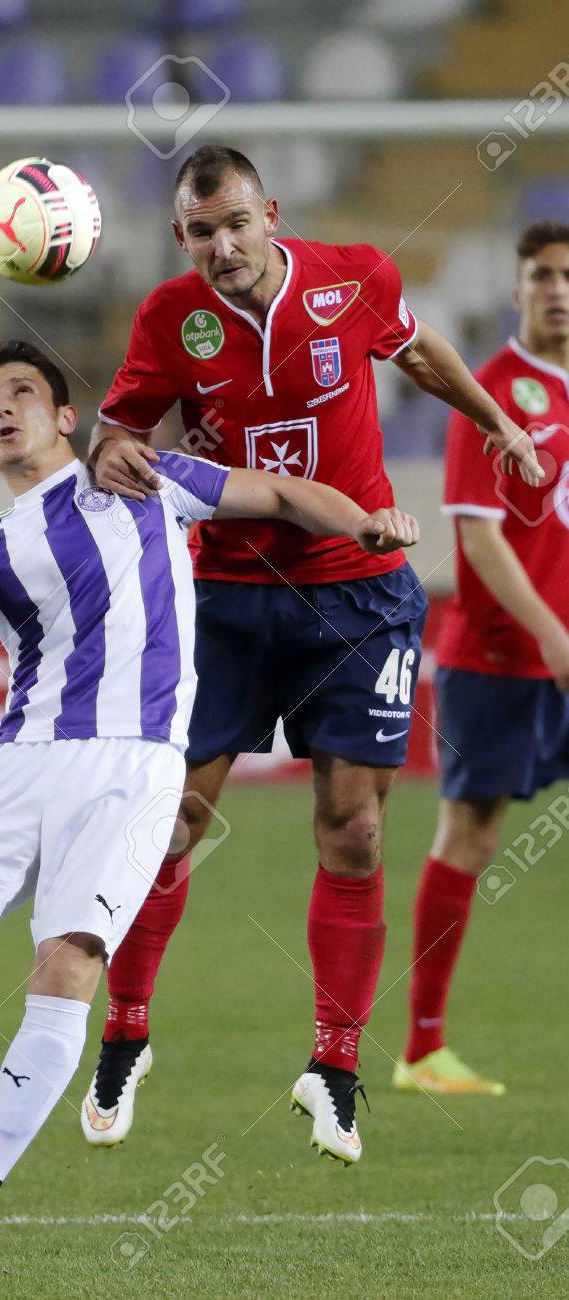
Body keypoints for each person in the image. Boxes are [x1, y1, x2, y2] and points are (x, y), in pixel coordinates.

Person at [0, 339, 418, 1256]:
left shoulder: (148, 481)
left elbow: (284, 494)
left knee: (65, 965)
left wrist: (362, 520)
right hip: (18, 763)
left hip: (131, 768)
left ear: (65, 418)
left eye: (21, 393)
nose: (0, 408)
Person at [82, 145, 543, 1165]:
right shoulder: (169, 319)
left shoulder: (354, 278)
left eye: (237, 223)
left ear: (270, 215)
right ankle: (124, 1030)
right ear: (181, 238)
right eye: (202, 232)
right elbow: (115, 434)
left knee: (353, 829)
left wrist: (499, 422)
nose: (222, 245)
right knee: (173, 823)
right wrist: (113, 452)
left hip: (358, 596)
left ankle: (332, 1066)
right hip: (226, 598)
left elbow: (417, 354)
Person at [394, 220, 569, 1096]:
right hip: (499, 659)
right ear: (517, 290)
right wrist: (550, 632)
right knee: (471, 837)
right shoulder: (492, 391)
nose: (558, 289)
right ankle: (423, 1048)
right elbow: (479, 545)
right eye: (541, 275)